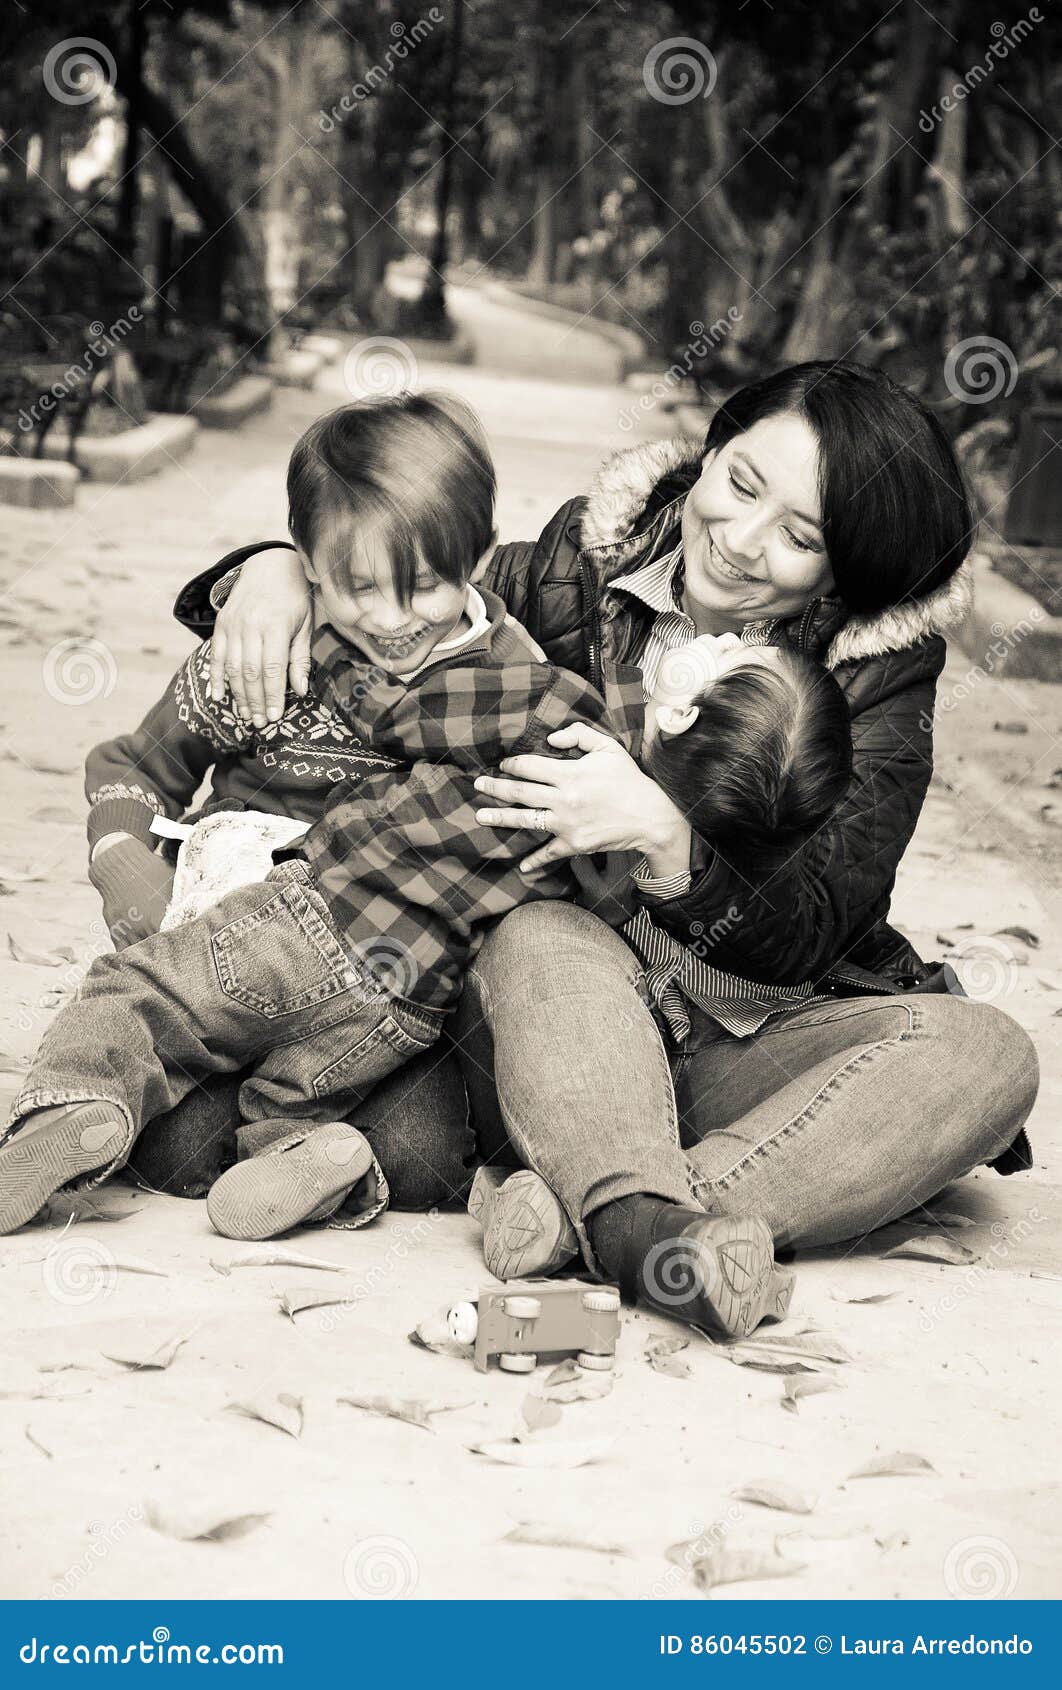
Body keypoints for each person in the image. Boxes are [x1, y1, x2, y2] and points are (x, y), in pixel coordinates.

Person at [174, 360, 1039, 1335]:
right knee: (536, 928)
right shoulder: (572, 562)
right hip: (555, 1011)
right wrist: (271, 567)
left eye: (801, 538)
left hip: (748, 1043)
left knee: (987, 1053)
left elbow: (814, 922)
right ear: (711, 450)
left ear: (851, 568)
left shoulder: (876, 668)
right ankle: (628, 1208)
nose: (743, 542)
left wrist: (669, 842)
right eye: (742, 484)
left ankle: (613, 1212)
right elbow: (410, 591)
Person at [0, 389, 854, 1341]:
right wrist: (128, 855)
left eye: (425, 588)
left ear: (476, 563)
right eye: (358, 587)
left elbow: (456, 747)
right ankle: (269, 1143)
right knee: (175, 1081)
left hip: (344, 954)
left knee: (401, 1137)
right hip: (312, 960)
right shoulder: (276, 653)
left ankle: (153, 1122)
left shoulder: (499, 675)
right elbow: (136, 765)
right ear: (313, 563)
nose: (395, 618)